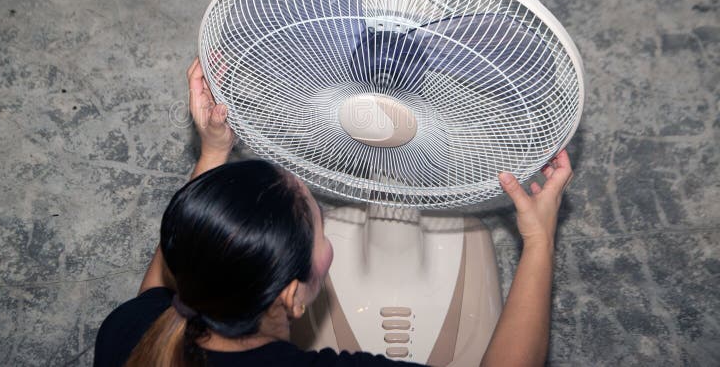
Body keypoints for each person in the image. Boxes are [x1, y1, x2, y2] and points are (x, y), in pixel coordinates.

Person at [94, 59, 573, 367]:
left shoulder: (127, 333)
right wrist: (539, 240)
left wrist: (214, 152)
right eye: (320, 228)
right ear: (294, 296)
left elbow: (157, 289)